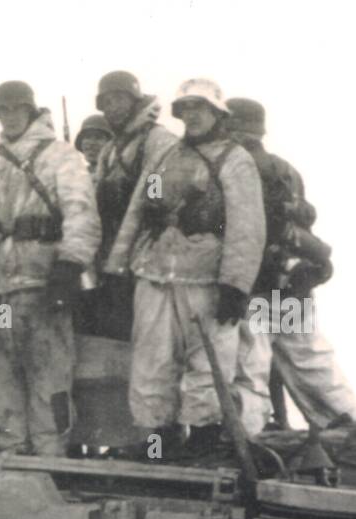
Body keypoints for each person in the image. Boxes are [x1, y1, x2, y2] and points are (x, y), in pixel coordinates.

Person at [104, 78, 266, 458]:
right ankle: (158, 445)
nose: (192, 116)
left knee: (209, 364)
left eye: (200, 108)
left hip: (206, 278)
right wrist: (118, 266)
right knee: (151, 364)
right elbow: (141, 209)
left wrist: (235, 285)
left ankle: (205, 443)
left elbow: (247, 227)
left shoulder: (235, 160)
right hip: (156, 272)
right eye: (186, 109)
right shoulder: (167, 156)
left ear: (216, 113)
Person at [0, 80, 100, 457]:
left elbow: (81, 214)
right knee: (0, 374)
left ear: (30, 111)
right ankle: (11, 456)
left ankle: (52, 460)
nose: (10, 118)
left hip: (43, 289)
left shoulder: (61, 156)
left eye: (17, 110)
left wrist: (70, 266)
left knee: (49, 375)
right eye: (3, 112)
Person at [225, 97, 356, 433]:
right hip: (291, 286)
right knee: (312, 364)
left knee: (250, 369)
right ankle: (354, 431)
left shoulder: (235, 167)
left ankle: (249, 440)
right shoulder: (285, 170)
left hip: (256, 286)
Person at [91, 72, 178, 344]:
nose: (111, 107)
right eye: (105, 102)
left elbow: (154, 189)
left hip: (144, 255)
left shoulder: (157, 140)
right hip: (113, 256)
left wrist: (154, 200)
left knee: (150, 339)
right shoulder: (111, 150)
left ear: (134, 100)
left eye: (118, 99)